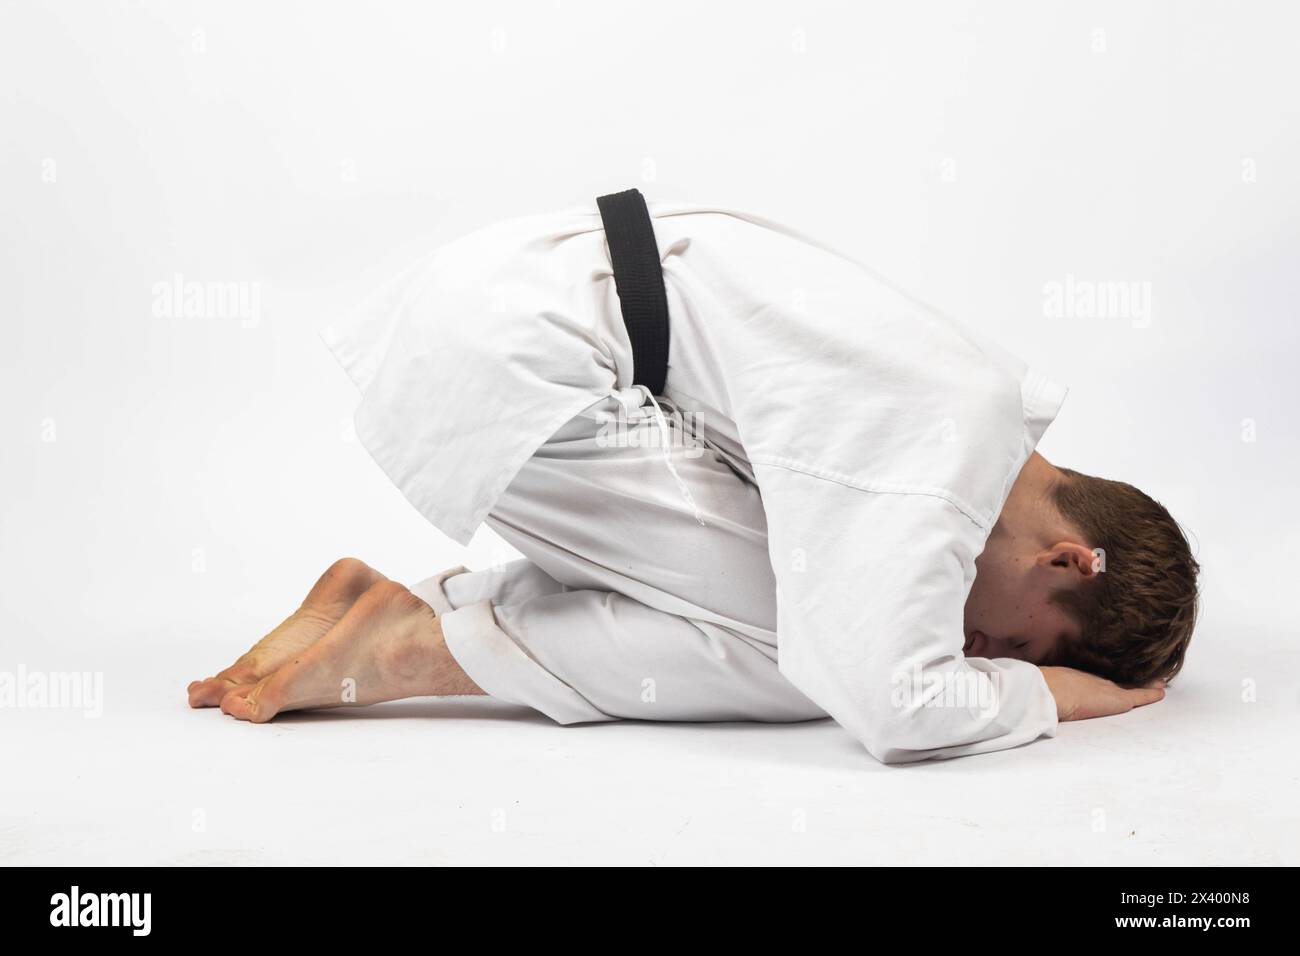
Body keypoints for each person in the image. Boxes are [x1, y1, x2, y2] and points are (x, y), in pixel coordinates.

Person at [187, 190, 1199, 764]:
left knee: (803, 617)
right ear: (1070, 556)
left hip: (518, 319)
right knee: (796, 652)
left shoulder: (973, 397)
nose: (974, 644)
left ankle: (413, 604)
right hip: (515, 359)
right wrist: (1044, 695)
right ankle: (419, 647)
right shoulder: (942, 467)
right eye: (1010, 635)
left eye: (1003, 652)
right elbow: (888, 705)